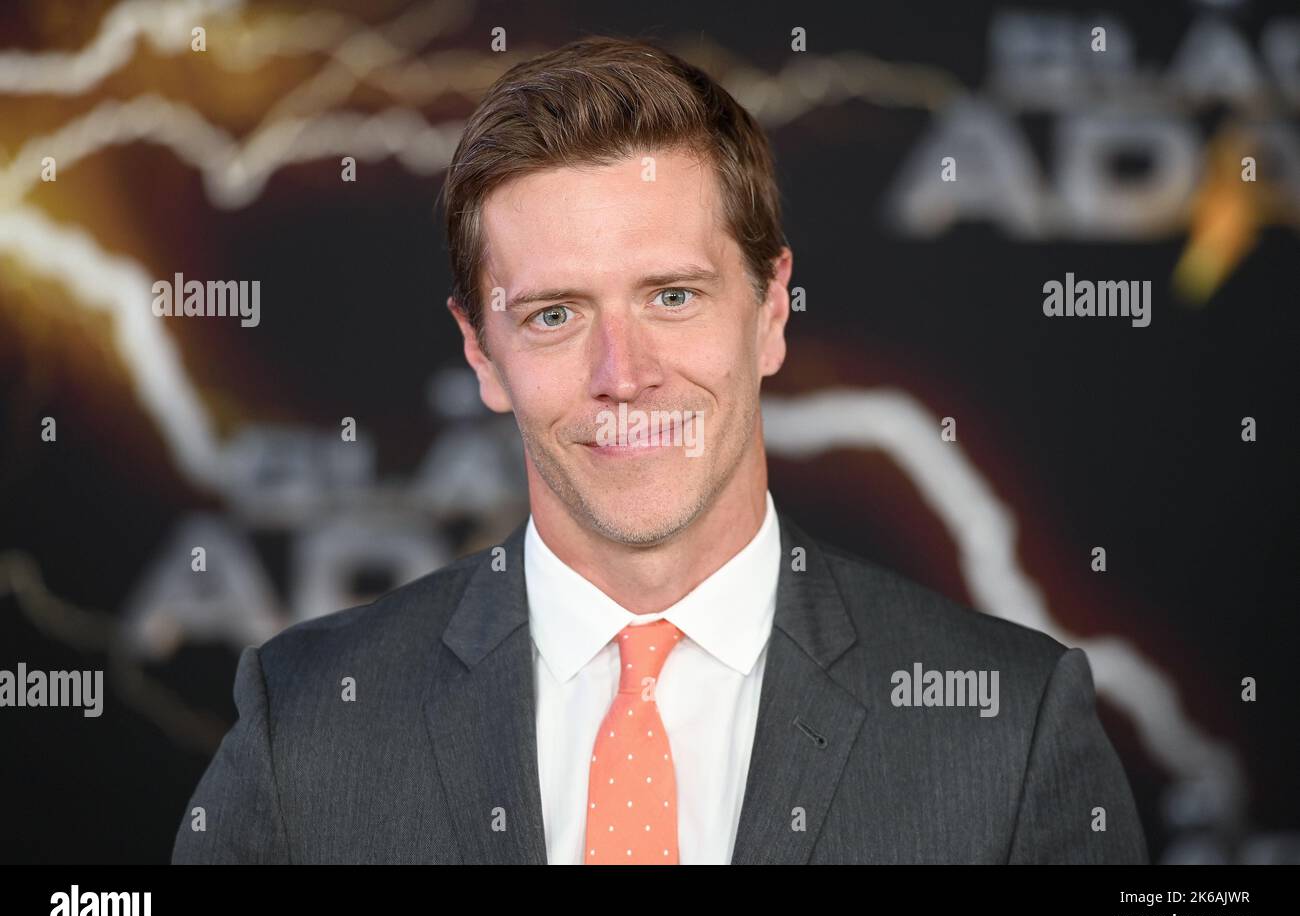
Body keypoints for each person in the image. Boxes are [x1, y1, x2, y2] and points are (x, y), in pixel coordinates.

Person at [172, 36, 1147, 864]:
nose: (623, 373)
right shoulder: (304, 729)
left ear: (770, 310)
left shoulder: (1009, 730)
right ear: (481, 353)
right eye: (554, 315)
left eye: (672, 296)